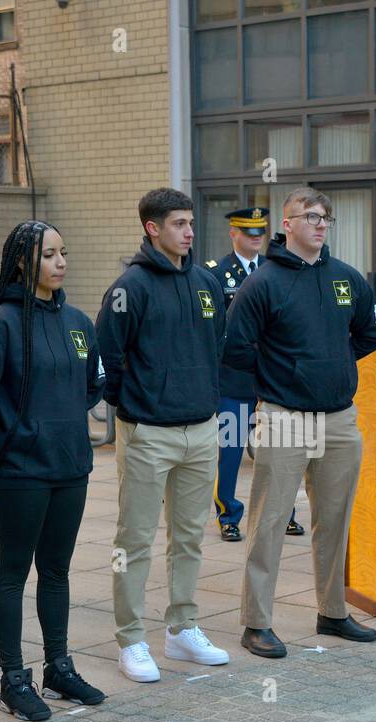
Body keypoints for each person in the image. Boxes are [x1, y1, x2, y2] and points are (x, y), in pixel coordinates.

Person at [223, 187, 376, 658]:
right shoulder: (264, 283)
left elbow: (370, 331)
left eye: (325, 217)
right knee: (269, 522)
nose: (320, 224)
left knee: (334, 520)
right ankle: (257, 623)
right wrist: (283, 376)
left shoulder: (346, 279)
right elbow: (235, 348)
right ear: (287, 224)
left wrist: (331, 361)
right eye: (310, 216)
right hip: (284, 418)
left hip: (338, 418)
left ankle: (332, 612)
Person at [0, 221, 107, 719]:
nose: (61, 262)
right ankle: (13, 678)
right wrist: (21, 428)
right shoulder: (2, 323)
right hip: (22, 470)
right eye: (49, 255)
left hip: (71, 467)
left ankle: (58, 669)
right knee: (13, 573)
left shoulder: (80, 323)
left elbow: (93, 385)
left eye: (64, 253)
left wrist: (60, 426)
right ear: (24, 263)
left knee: (58, 571)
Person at [95, 188, 230, 682]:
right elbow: (107, 356)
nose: (189, 231)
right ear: (152, 228)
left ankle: (182, 627)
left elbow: (217, 346)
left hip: (202, 428)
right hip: (148, 432)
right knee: (133, 540)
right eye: (178, 223)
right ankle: (131, 640)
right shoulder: (129, 287)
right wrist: (136, 406)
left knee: (190, 537)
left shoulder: (206, 282)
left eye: (191, 222)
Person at [205, 207, 301, 542]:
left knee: (280, 452)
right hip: (233, 379)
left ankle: (285, 513)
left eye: (260, 233)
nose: (257, 239)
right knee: (229, 451)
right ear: (233, 234)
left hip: (271, 380)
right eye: (249, 233)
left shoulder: (277, 270)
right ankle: (228, 514)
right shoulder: (215, 274)